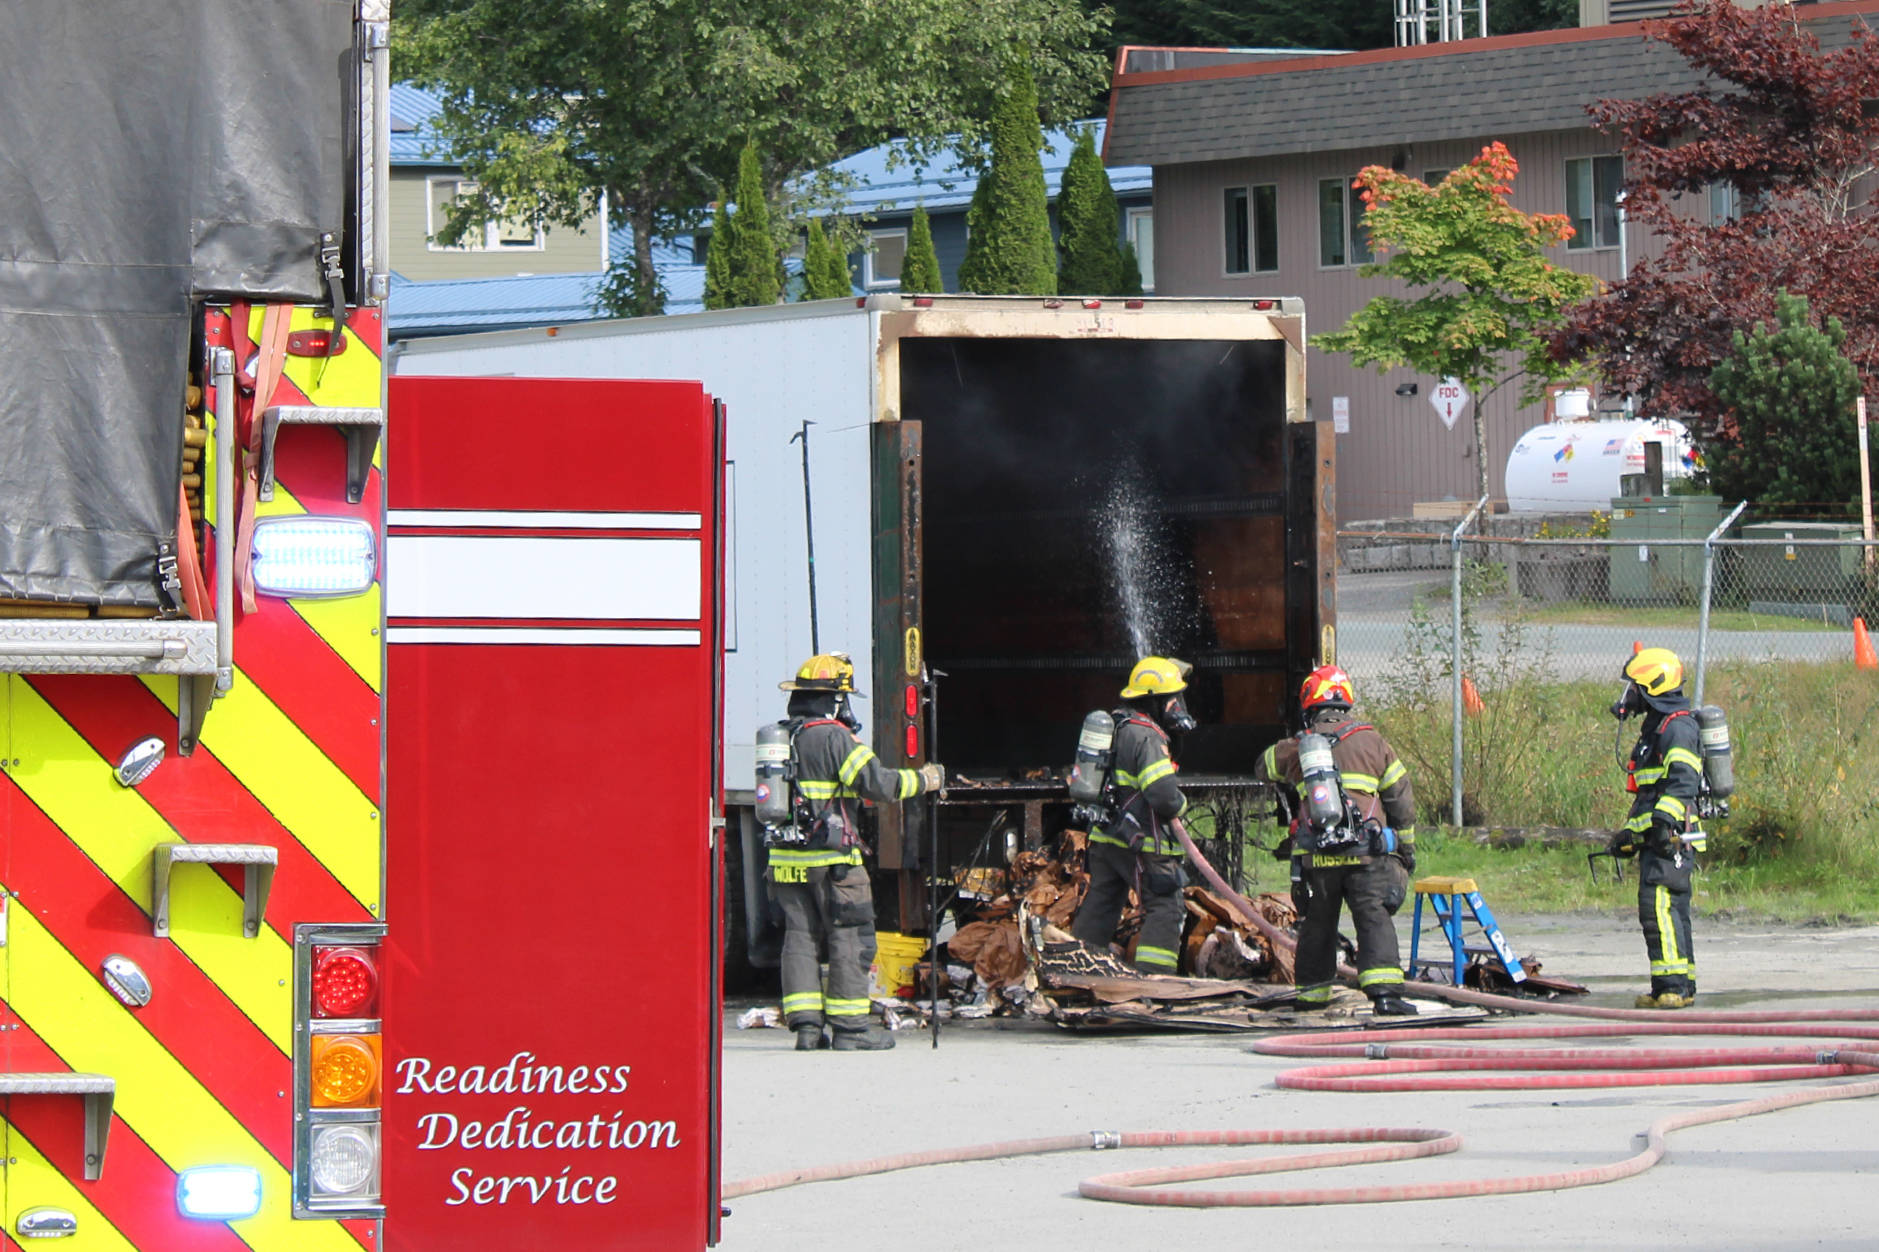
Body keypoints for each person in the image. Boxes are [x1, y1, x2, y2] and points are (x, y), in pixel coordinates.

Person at [769, 653, 945, 1051]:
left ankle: (808, 1030)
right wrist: (927, 779)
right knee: (850, 940)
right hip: (834, 865)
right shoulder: (835, 738)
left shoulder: (782, 737)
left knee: (799, 940)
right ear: (835, 700)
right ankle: (850, 1031)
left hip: (785, 863)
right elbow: (879, 784)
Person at [1256, 664, 1419, 1016]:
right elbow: (1401, 799)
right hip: (1366, 854)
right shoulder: (1374, 742)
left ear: (1309, 703)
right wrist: (1406, 847)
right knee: (1373, 918)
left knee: (1318, 925)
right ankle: (1386, 997)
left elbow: (1261, 765)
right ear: (1346, 700)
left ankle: (1310, 998)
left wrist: (1292, 756)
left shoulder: (1299, 746)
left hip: (1318, 856)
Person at [1071, 656, 1195, 974]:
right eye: (1172, 698)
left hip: (1106, 837)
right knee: (1166, 906)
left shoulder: (1117, 726)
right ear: (1154, 700)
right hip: (1140, 842)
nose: (1177, 705)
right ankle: (1156, 983)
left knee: (1103, 902)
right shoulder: (1148, 737)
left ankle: (1077, 973)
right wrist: (1182, 805)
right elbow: (1164, 797)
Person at [1608, 647, 1707, 1010]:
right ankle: (1680, 985)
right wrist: (1632, 833)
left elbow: (1682, 782)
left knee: (1660, 908)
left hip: (1673, 837)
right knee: (1671, 909)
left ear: (1652, 685)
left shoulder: (1677, 727)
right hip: (1660, 836)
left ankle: (1672, 989)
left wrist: (1664, 824)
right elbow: (1649, 792)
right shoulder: (1656, 727)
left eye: (1633, 687)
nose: (1627, 695)